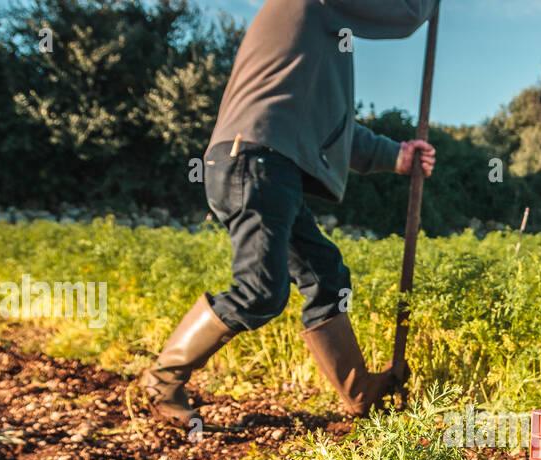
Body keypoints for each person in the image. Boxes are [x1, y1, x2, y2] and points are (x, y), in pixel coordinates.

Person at [142, 0, 439, 426]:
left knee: (326, 277)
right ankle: (162, 380)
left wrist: (396, 156)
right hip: (255, 161)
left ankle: (360, 396)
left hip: (267, 166)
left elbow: (330, 124)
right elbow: (407, 14)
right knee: (260, 293)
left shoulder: (317, 40)